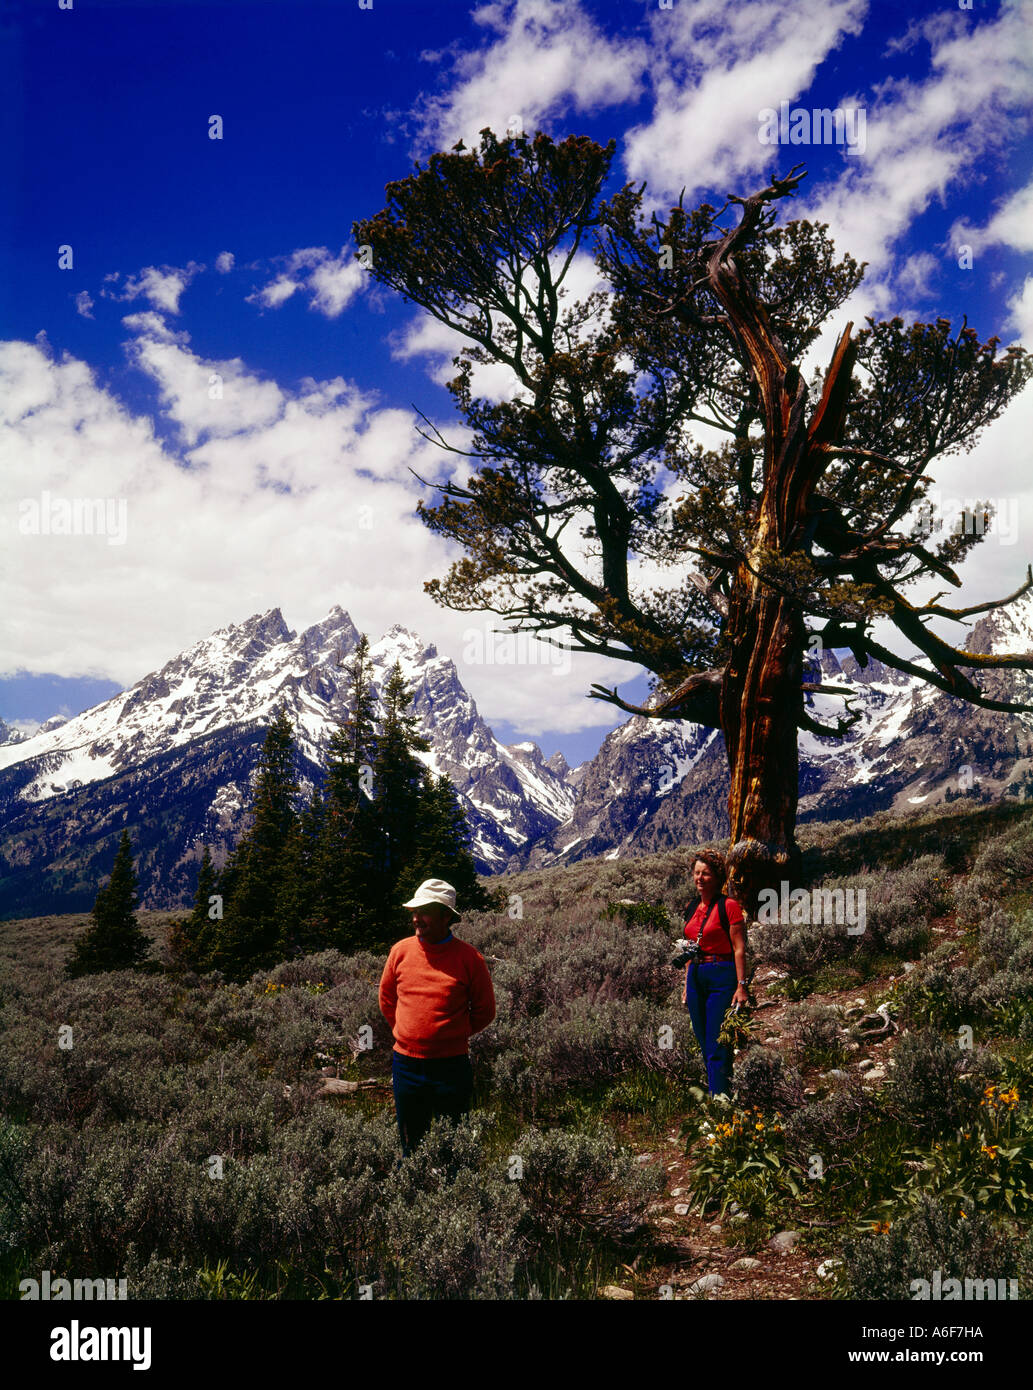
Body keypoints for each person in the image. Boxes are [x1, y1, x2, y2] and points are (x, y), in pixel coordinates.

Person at [378, 878, 496, 1157]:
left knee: (453, 1146)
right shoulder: (400, 951)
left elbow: (485, 1011)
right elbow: (386, 999)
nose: (416, 919)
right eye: (414, 912)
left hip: (451, 1068)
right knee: (410, 1143)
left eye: (425, 912)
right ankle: (411, 1194)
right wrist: (406, 1033)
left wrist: (451, 1036)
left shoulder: (470, 959)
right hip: (406, 1065)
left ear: (446, 916)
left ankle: (452, 1197)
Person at [680, 850, 748, 1099]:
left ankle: (720, 1099)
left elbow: (739, 949)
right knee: (702, 1039)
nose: (699, 877)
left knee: (717, 1041)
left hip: (721, 973)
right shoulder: (691, 907)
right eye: (697, 873)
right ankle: (716, 1093)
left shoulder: (729, 906)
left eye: (705, 873)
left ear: (717, 877)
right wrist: (687, 984)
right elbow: (689, 947)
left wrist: (741, 985)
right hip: (696, 973)